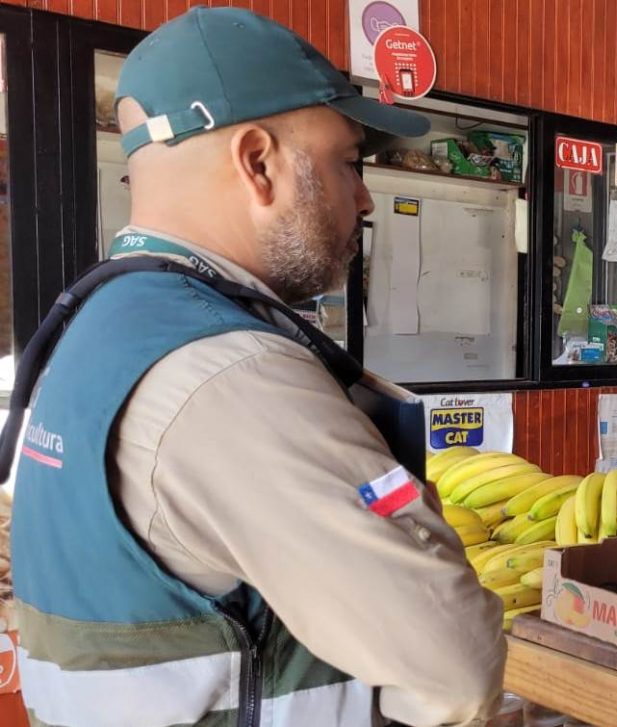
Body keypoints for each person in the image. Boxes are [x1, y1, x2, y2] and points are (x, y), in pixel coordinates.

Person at [8, 9, 505, 727]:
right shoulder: (228, 372)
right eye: (349, 161)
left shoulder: (102, 322)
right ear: (258, 163)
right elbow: (455, 662)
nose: (365, 198)